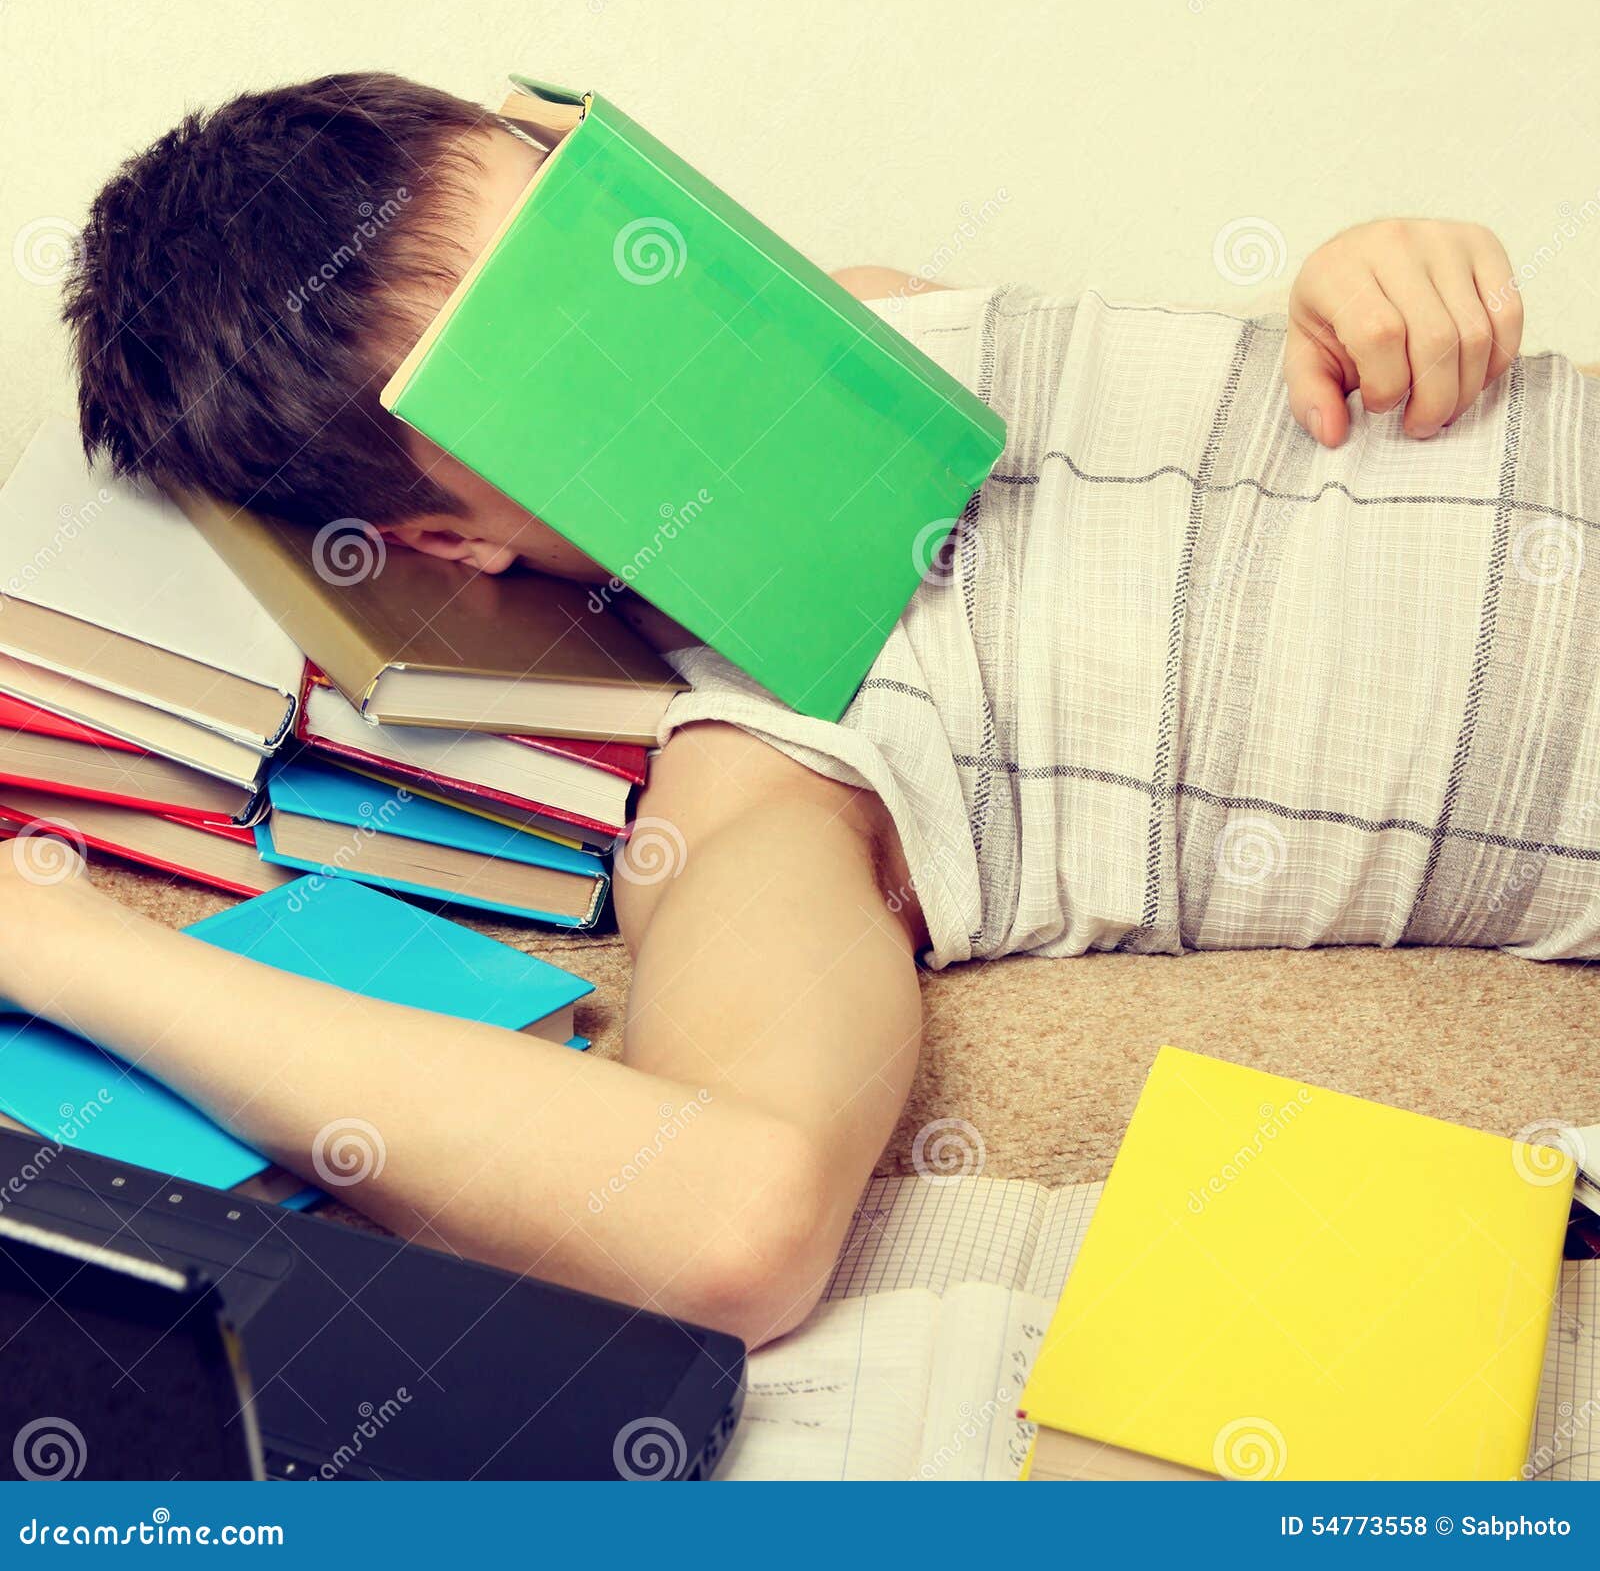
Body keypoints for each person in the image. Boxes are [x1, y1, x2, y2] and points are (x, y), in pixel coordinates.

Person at [16, 71, 1576, 1348]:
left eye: (601, 234)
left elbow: (1284, 411)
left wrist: (1365, 276)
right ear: (443, 539)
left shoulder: (893, 313)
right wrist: (68, 947)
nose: (668, 329)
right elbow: (729, 1225)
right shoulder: (776, 772)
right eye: (548, 374)